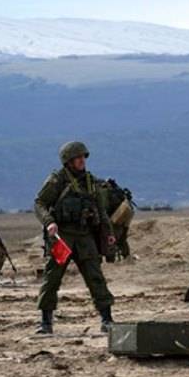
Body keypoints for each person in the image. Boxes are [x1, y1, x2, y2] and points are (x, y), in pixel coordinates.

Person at [34, 141, 116, 334]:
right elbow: (39, 203)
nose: (82, 161)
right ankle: (46, 322)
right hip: (63, 237)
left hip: (84, 236)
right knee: (52, 278)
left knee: (96, 277)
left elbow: (101, 210)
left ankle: (107, 319)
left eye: (83, 157)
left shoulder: (90, 181)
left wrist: (108, 233)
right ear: (68, 161)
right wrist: (49, 222)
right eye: (78, 158)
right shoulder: (57, 180)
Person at [98, 178, 135, 261]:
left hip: (114, 218)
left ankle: (110, 259)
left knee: (109, 239)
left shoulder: (103, 193)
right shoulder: (116, 191)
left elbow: (104, 208)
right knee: (122, 238)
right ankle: (126, 256)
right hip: (124, 214)